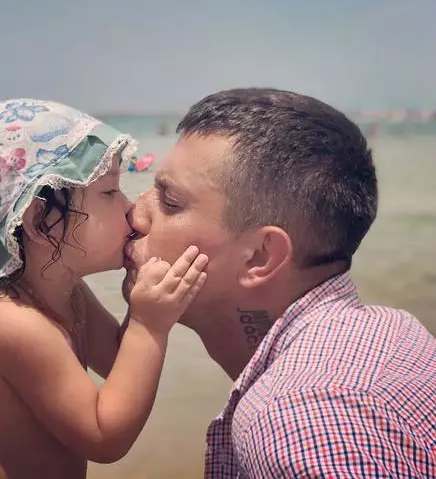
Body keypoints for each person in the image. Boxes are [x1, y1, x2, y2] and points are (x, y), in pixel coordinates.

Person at [123, 88, 435, 478]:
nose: (134, 215)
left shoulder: (298, 423)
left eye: (170, 202)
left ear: (260, 256)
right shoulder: (390, 331)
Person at [0, 99, 208, 479]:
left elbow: (119, 361)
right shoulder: (11, 324)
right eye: (110, 192)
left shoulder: (67, 294)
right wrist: (149, 326)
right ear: (39, 219)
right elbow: (103, 437)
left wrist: (138, 298)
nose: (130, 208)